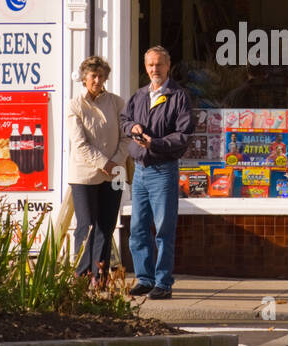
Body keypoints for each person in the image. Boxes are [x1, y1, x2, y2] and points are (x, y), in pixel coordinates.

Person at [120, 45, 194, 299]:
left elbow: (184, 135)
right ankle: (145, 278)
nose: (155, 69)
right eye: (151, 65)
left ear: (168, 66)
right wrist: (133, 127)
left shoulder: (179, 96)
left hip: (163, 170)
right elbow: (123, 121)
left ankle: (163, 283)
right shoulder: (139, 96)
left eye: (159, 64)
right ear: (145, 67)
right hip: (140, 171)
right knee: (139, 228)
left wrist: (156, 143)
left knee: (163, 229)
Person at [66, 55, 129, 288]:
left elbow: (127, 137)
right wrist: (105, 163)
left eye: (102, 75)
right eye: (93, 75)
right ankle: (81, 275)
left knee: (107, 224)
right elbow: (80, 144)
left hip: (115, 173)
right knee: (87, 224)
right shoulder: (75, 105)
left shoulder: (117, 103)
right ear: (84, 78)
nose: (98, 79)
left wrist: (116, 162)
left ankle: (99, 276)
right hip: (85, 174)